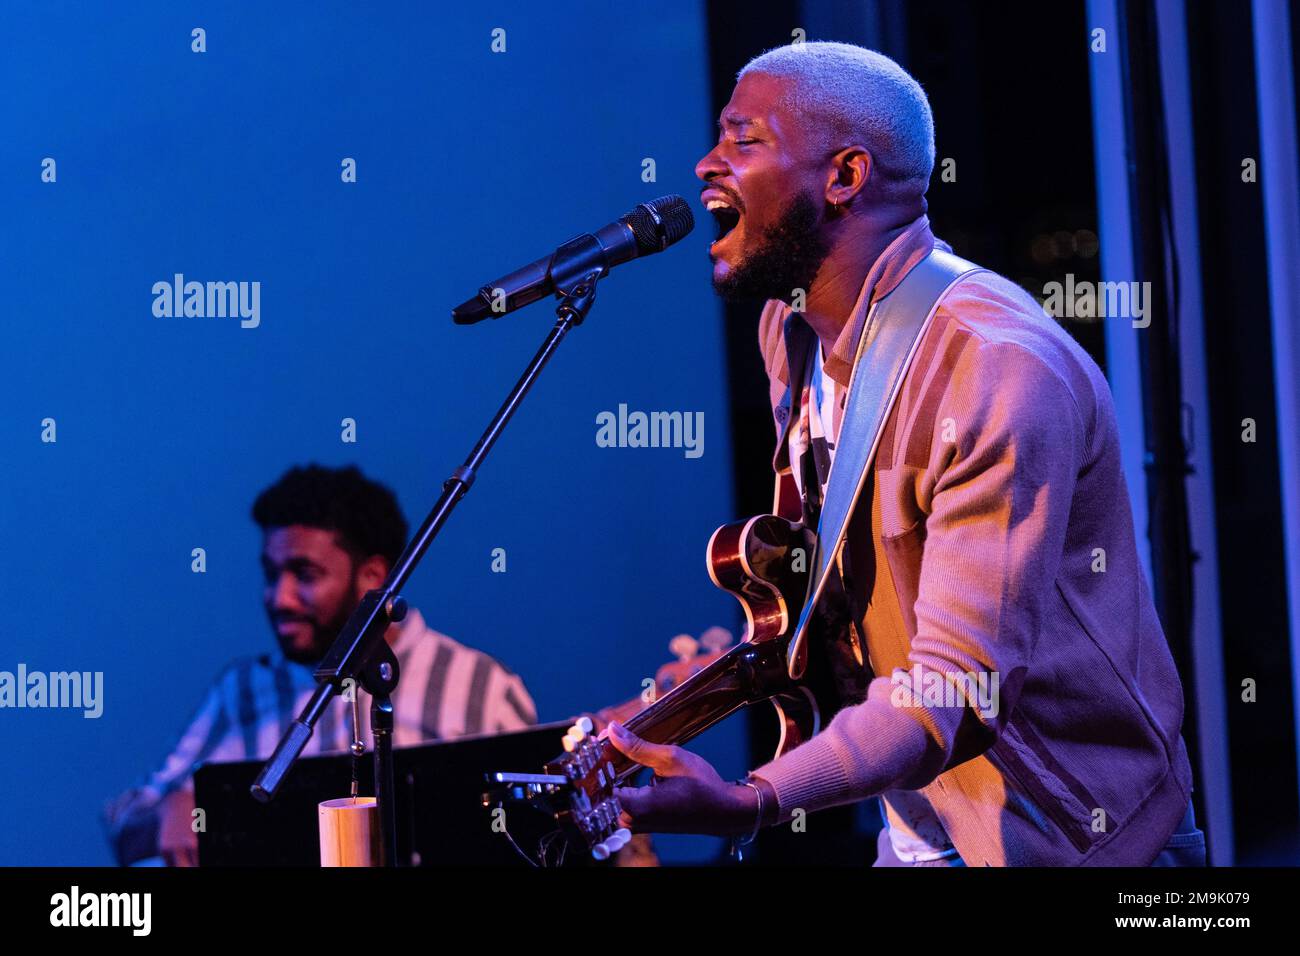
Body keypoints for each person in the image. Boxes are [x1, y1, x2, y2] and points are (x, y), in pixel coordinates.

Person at [604, 41, 1205, 866]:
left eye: (743, 140)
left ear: (844, 176)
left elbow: (956, 688)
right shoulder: (790, 335)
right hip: (924, 834)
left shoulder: (993, 367)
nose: (707, 163)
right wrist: (661, 719)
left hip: (1076, 841)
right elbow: (852, 607)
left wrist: (755, 801)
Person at [104, 464, 535, 865]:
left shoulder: (483, 687)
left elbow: (538, 828)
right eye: (271, 575)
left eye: (304, 575)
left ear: (372, 577)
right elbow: (124, 822)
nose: (279, 598)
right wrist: (169, 811)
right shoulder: (243, 691)